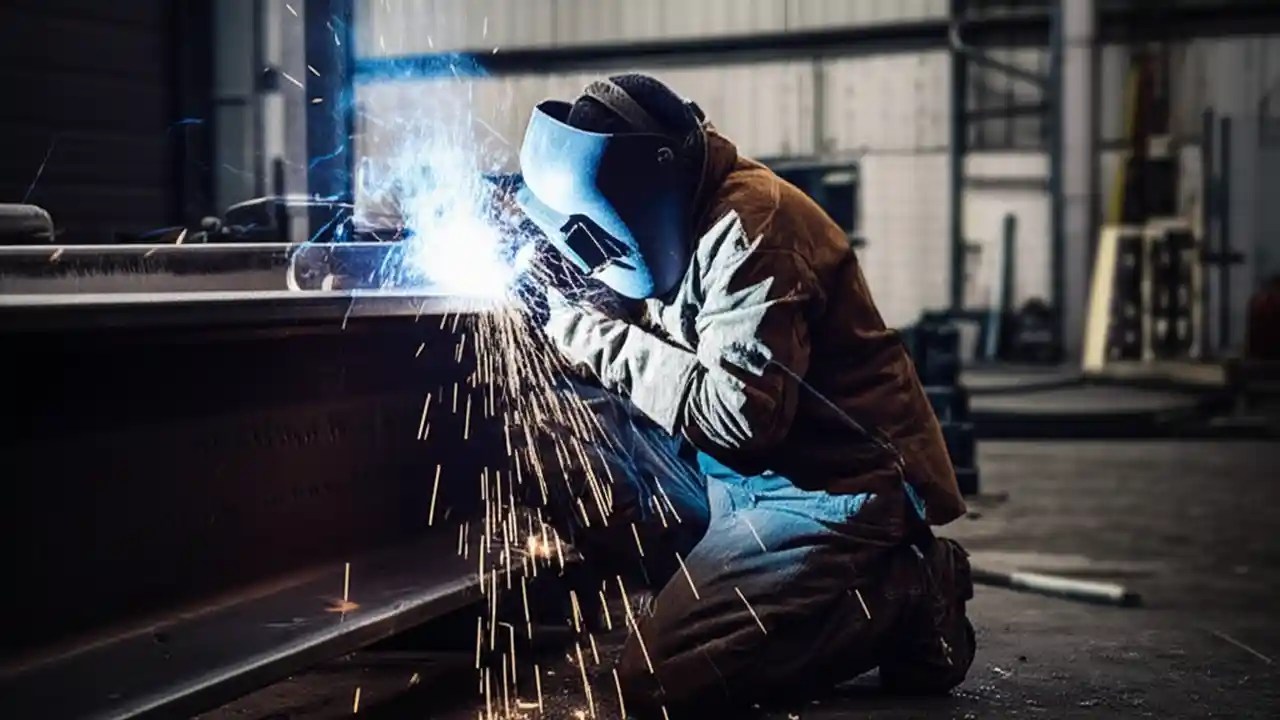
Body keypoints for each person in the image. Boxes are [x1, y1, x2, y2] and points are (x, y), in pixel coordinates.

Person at [515, 73, 975, 717]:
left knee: (656, 685)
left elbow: (738, 418)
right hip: (730, 479)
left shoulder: (755, 234)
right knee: (555, 439)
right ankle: (719, 591)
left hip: (828, 489)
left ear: (641, 195)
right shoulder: (674, 216)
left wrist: (585, 330)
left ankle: (908, 593)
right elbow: (640, 304)